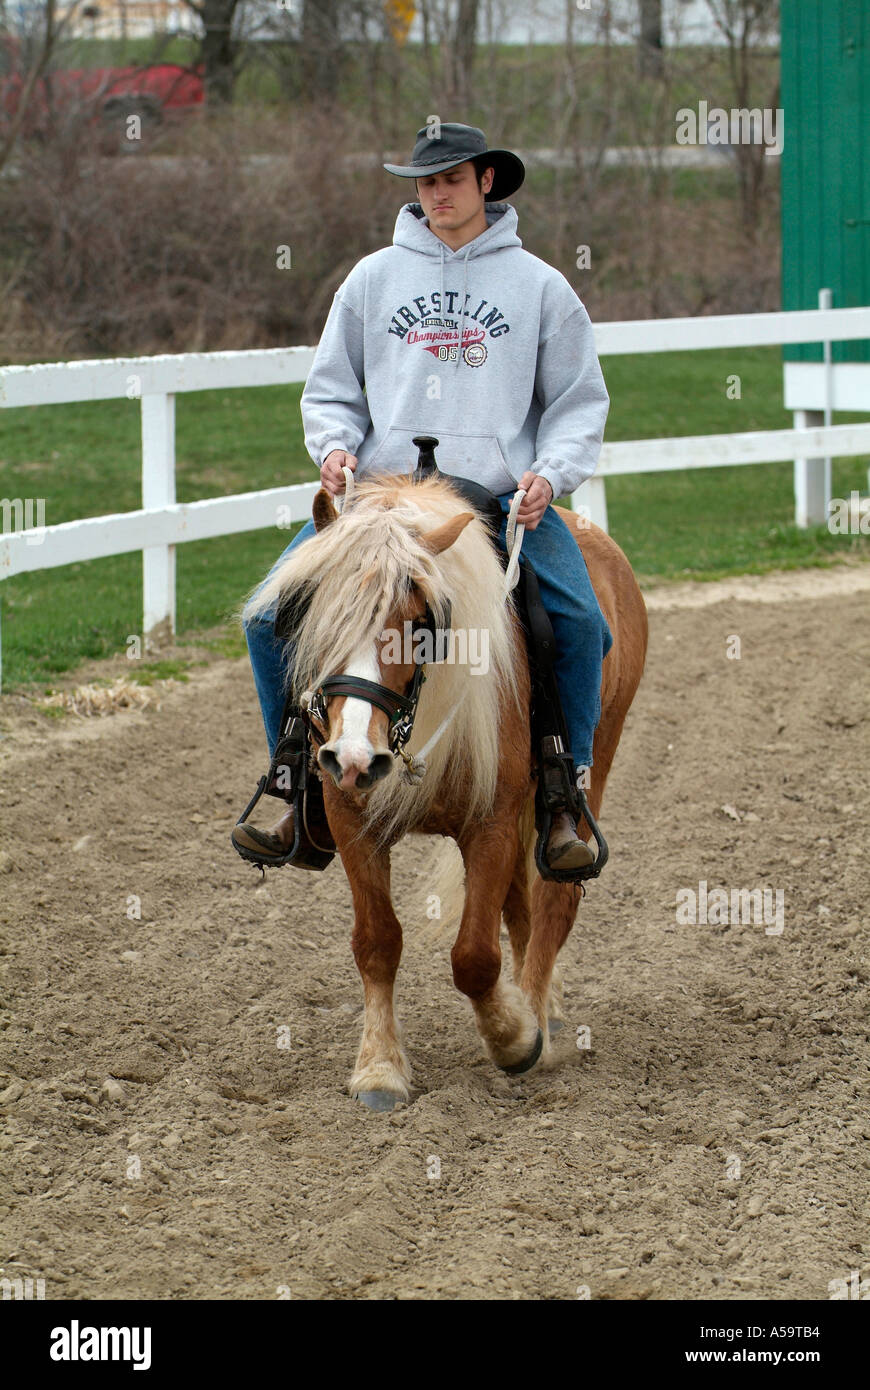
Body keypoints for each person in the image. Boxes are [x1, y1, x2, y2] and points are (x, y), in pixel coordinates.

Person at [233, 122, 612, 871]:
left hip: (496, 503)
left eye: (452, 179)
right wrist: (335, 448)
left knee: (578, 624)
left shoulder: (540, 287)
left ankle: (563, 791)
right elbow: (332, 389)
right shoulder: (372, 278)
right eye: (425, 181)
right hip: (380, 504)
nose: (437, 193)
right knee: (269, 616)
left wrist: (548, 475)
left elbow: (577, 402)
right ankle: (299, 779)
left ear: (487, 184)